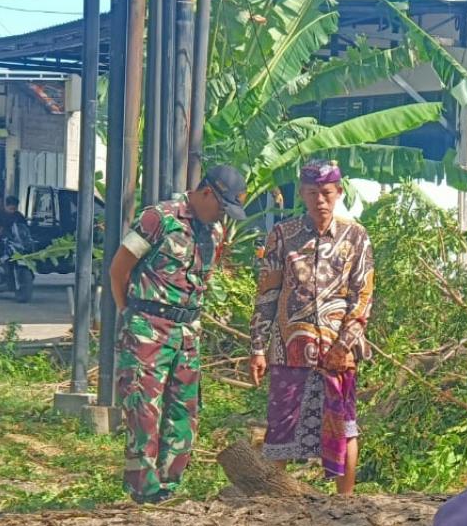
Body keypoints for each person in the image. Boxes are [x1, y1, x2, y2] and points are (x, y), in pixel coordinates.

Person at [109, 164, 247, 503]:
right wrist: (132, 315)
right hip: (148, 328)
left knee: (183, 412)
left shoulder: (212, 232)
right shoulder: (160, 218)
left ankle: (170, 488)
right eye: (221, 207)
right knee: (144, 411)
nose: (221, 217)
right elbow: (118, 269)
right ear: (205, 193)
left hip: (187, 333)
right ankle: (144, 492)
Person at [249, 160, 375, 495]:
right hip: (288, 351)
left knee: (344, 427)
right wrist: (257, 347)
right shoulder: (282, 235)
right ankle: (277, 501)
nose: (320, 200)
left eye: (326, 193)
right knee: (281, 427)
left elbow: (362, 296)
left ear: (338, 193)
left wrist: (343, 345)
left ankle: (345, 503)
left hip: (338, 352)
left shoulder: (356, 237)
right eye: (312, 193)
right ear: (302, 195)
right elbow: (267, 294)